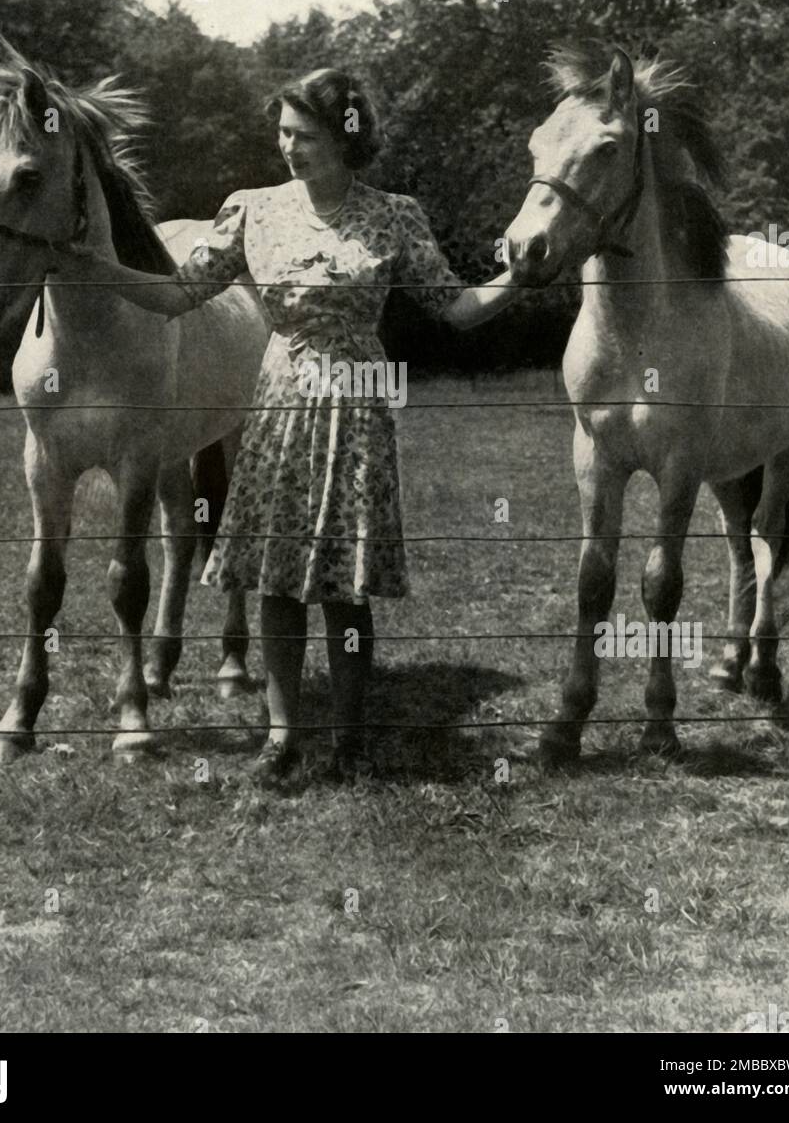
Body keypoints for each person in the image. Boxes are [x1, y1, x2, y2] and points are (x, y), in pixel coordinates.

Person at [55, 69, 517, 783]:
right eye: (282, 133)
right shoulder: (252, 209)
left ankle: (350, 739)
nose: (288, 147)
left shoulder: (394, 216)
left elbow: (454, 308)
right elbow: (178, 294)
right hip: (276, 404)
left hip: (355, 409)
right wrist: (101, 269)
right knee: (274, 578)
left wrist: (518, 279)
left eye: (304, 135)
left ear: (345, 136)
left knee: (344, 585)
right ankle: (282, 737)